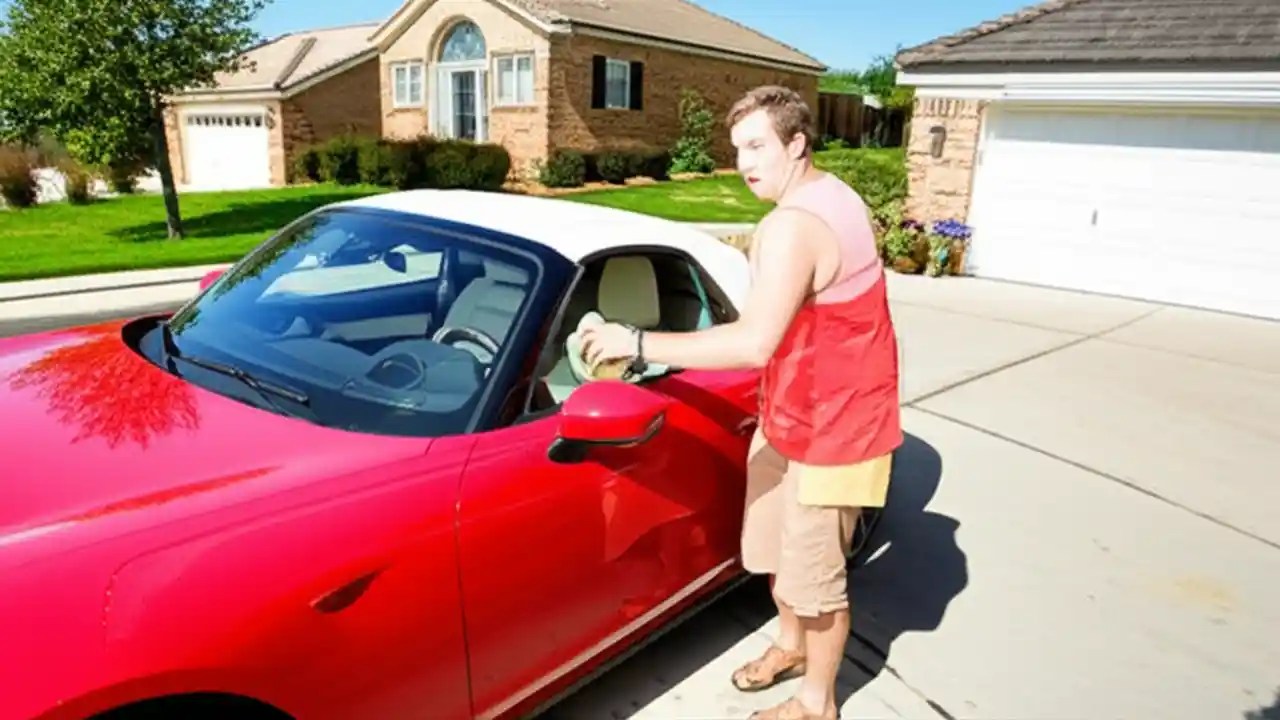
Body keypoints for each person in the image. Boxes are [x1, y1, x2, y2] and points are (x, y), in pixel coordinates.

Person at [579, 84, 903, 720]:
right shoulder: (830, 195)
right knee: (775, 549)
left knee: (816, 581)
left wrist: (636, 340)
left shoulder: (794, 225)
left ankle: (817, 704)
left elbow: (755, 342)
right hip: (797, 411)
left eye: (757, 145)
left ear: (797, 143)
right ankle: (789, 646)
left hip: (833, 433)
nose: (744, 162)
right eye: (737, 148)